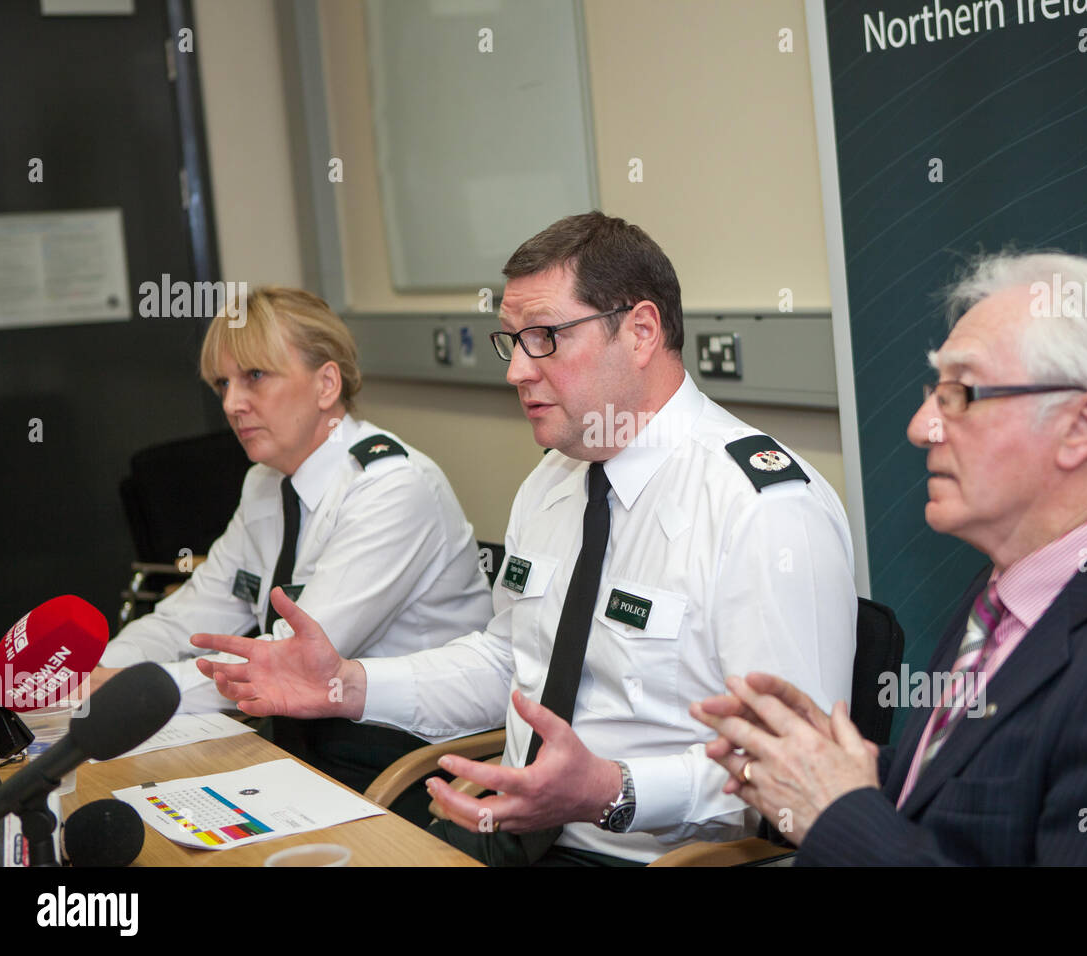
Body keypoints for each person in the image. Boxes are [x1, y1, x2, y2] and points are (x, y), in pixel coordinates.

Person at [192, 213, 858, 865]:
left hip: (646, 855)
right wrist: (347, 683)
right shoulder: (552, 484)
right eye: (511, 341)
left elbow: (793, 773)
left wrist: (612, 790)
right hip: (507, 835)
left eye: (544, 338)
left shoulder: (762, 510)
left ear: (642, 331)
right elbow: (507, 663)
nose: (516, 371)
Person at [694, 251, 1087, 865]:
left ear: (1081, 425)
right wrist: (842, 767)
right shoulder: (1011, 587)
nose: (922, 426)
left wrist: (838, 813)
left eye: (960, 393)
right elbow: (975, 801)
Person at [96, 288, 493, 816]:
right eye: (223, 383)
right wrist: (103, 670)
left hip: (404, 763)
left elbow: (287, 665)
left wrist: (126, 693)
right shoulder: (266, 483)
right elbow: (187, 617)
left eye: (255, 377)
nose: (232, 404)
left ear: (326, 384)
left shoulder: (392, 487)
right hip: (298, 747)